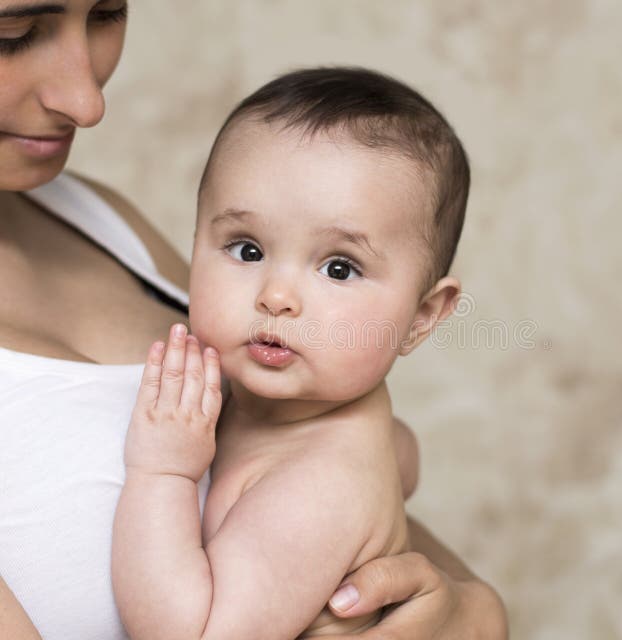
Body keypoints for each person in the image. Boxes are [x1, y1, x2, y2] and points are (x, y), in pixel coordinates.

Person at [0, 2, 508, 639]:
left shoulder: (97, 221)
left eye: (107, 13)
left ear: (423, 315)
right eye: (12, 34)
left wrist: (473, 613)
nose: (276, 297)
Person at [112, 66, 469, 639]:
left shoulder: (318, 491)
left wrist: (162, 471)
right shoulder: (344, 418)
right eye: (246, 249)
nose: (275, 297)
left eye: (338, 267)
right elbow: (405, 457)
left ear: (421, 317)